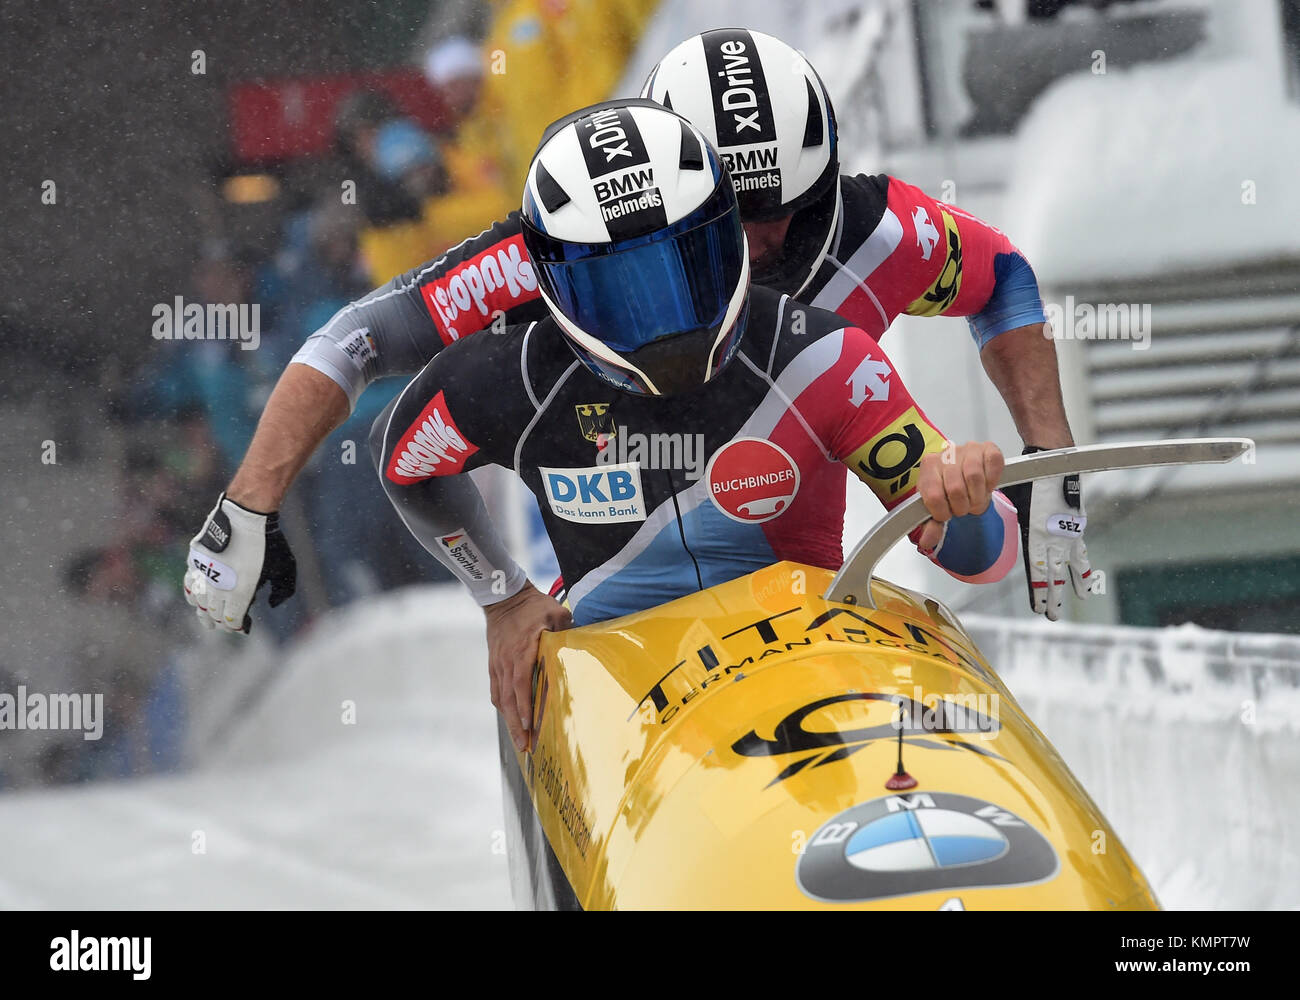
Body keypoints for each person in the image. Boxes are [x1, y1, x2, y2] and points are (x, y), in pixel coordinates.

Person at [182, 26, 1085, 638]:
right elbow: (360, 342)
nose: (763, 244)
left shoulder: (877, 245)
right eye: (729, 218)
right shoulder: (575, 243)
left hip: (785, 579)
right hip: (614, 587)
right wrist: (248, 506)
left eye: (789, 214)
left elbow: (1001, 279)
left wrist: (1054, 476)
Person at [366, 99, 1018, 752]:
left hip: (810, 679)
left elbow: (984, 558)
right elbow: (402, 460)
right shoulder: (513, 377)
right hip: (616, 701)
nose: (659, 316)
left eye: (682, 265)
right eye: (617, 286)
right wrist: (503, 597)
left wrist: (960, 504)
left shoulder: (822, 359)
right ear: (554, 285)